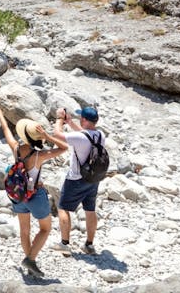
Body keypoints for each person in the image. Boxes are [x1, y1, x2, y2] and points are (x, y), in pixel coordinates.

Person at [0, 102, 68, 278]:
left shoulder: (16, 149)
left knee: (24, 230)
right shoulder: (39, 156)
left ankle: (29, 264)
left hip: (17, 195)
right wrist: (47, 136)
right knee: (45, 229)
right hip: (35, 195)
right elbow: (64, 148)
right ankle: (31, 259)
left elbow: (6, 131)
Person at [53, 105, 105, 255]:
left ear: (83, 119)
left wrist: (59, 119)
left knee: (63, 208)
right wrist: (69, 122)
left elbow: (57, 134)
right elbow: (85, 135)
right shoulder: (100, 135)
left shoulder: (79, 137)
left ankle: (64, 244)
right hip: (94, 178)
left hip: (76, 178)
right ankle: (89, 245)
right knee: (90, 210)